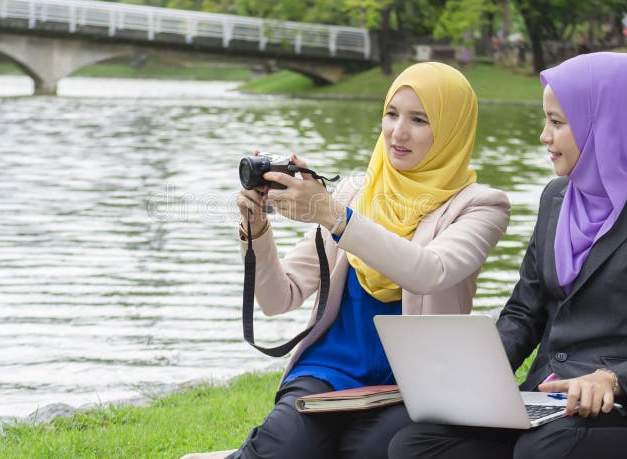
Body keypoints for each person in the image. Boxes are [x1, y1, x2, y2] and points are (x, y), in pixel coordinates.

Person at [181, 62, 511, 459]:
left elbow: (430, 271)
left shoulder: (480, 206)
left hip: (413, 384)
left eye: (419, 120)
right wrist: (257, 232)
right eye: (391, 114)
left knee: (366, 450)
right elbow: (277, 299)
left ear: (452, 129)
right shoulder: (358, 191)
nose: (397, 132)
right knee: (285, 445)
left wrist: (332, 215)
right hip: (326, 372)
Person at [388, 52, 627, 459]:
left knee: (543, 449)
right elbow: (524, 311)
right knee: (415, 441)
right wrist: (474, 372)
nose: (543, 136)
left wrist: (610, 380)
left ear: (606, 125)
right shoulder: (557, 198)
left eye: (557, 122)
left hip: (620, 413)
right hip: (545, 406)